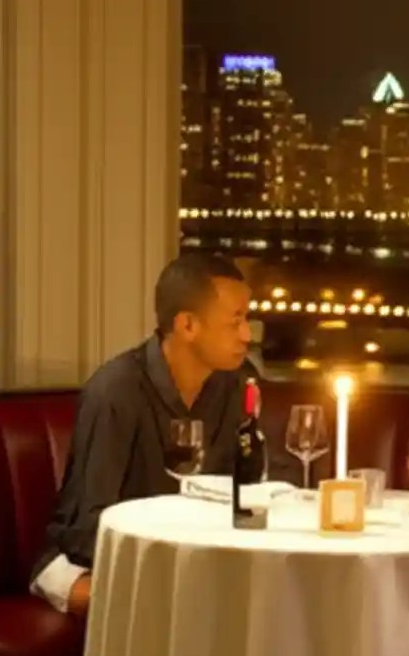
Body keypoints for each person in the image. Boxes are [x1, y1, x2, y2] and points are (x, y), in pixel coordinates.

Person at [29, 254, 258, 616]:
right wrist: (171, 569)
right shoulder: (116, 391)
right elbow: (89, 526)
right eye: (235, 321)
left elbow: (250, 487)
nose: (247, 335)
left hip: (194, 561)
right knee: (159, 607)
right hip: (91, 563)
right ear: (187, 325)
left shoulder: (236, 385)